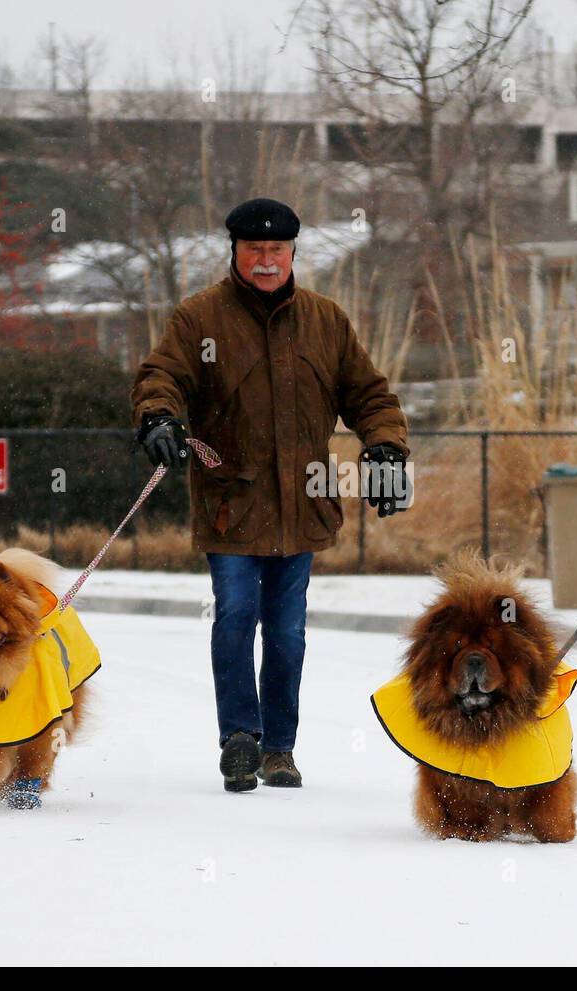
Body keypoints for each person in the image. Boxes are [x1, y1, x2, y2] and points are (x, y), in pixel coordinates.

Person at [129, 198, 410, 792]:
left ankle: (279, 747)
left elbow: (371, 397)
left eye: (276, 250)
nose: (265, 260)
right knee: (234, 615)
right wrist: (159, 416)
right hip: (230, 500)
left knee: (287, 634)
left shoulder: (325, 321)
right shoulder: (199, 318)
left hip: (304, 504)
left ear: (292, 254)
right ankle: (239, 738)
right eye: (254, 250)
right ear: (234, 252)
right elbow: (164, 376)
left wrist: (385, 446)